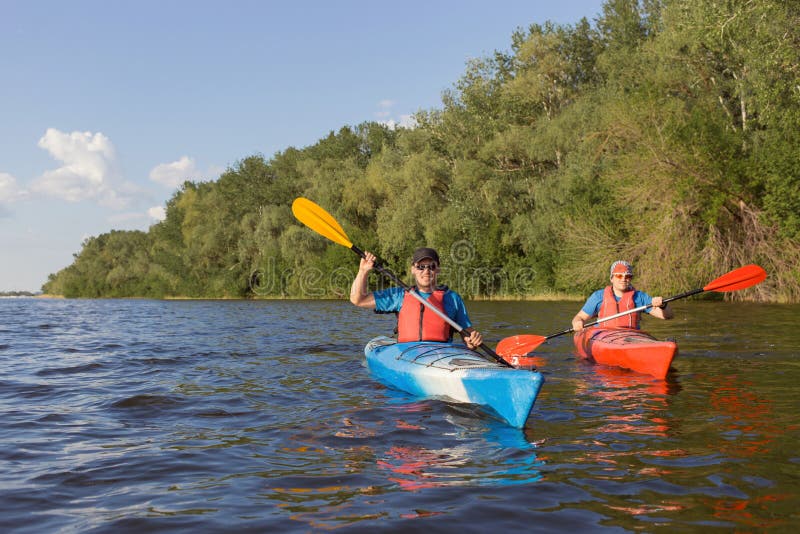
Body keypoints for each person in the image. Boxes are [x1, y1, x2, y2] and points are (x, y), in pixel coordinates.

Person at [350, 247, 483, 349]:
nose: (426, 271)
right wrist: (363, 271)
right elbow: (358, 299)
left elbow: (469, 338)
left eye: (431, 266)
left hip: (442, 353)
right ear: (413, 269)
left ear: (438, 269)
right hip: (408, 353)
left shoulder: (453, 298)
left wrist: (472, 341)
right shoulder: (399, 295)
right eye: (421, 267)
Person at [571, 260, 674, 332]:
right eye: (619, 275)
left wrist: (663, 305)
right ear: (611, 278)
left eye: (628, 276)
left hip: (631, 336)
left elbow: (668, 316)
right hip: (603, 336)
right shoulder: (598, 296)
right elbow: (579, 317)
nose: (623, 279)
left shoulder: (639, 297)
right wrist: (578, 322)